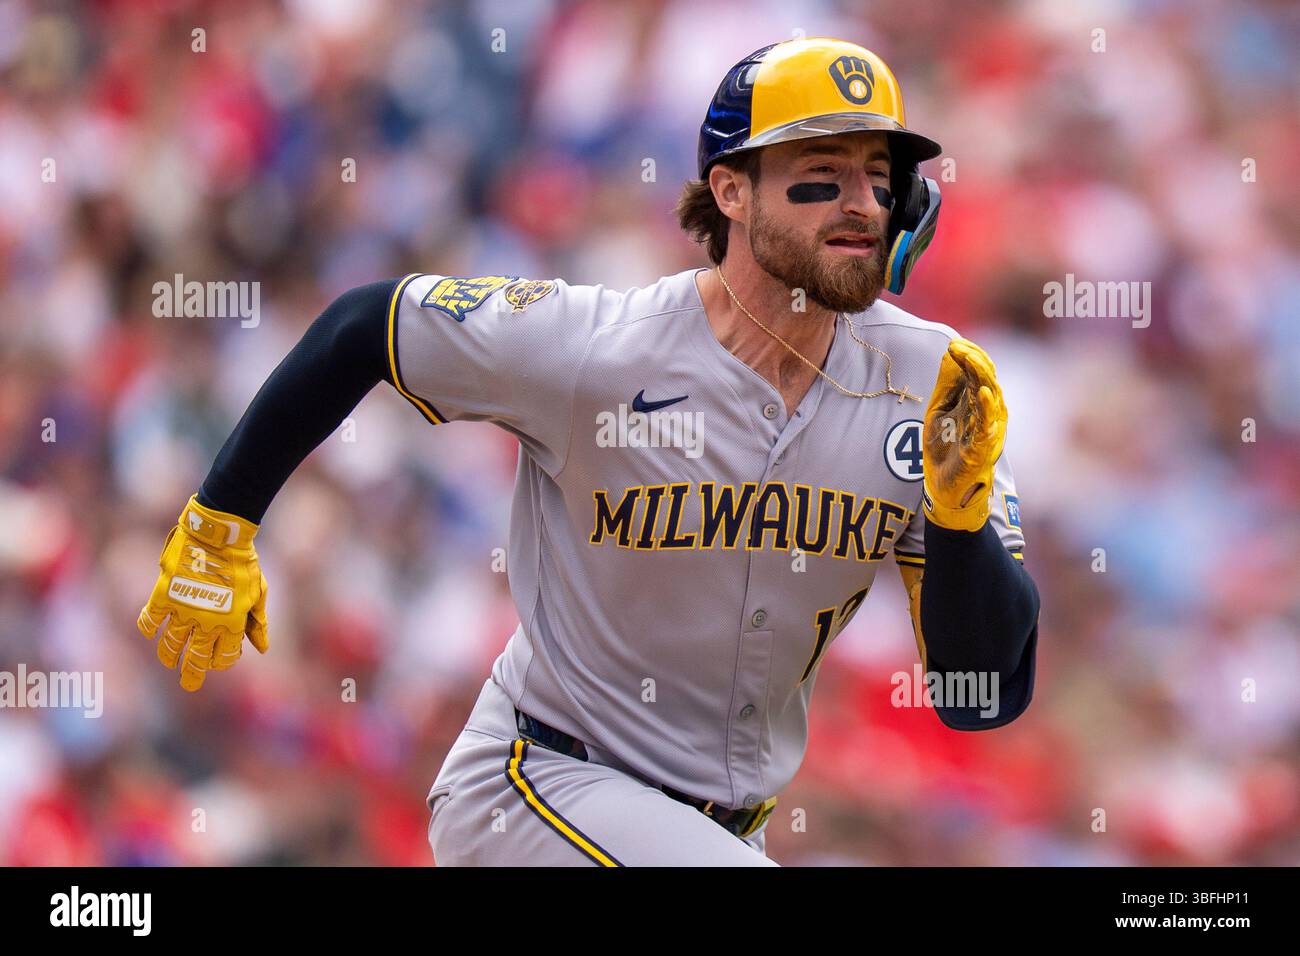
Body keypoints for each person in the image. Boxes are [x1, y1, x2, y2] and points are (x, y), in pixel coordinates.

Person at [137, 37, 1040, 866]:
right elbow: (364, 326)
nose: (863, 203)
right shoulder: (601, 349)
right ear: (731, 191)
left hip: (715, 835)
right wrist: (224, 517)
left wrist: (960, 521)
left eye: (880, 178)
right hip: (536, 789)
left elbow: (977, 694)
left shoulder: (935, 387)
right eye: (822, 171)